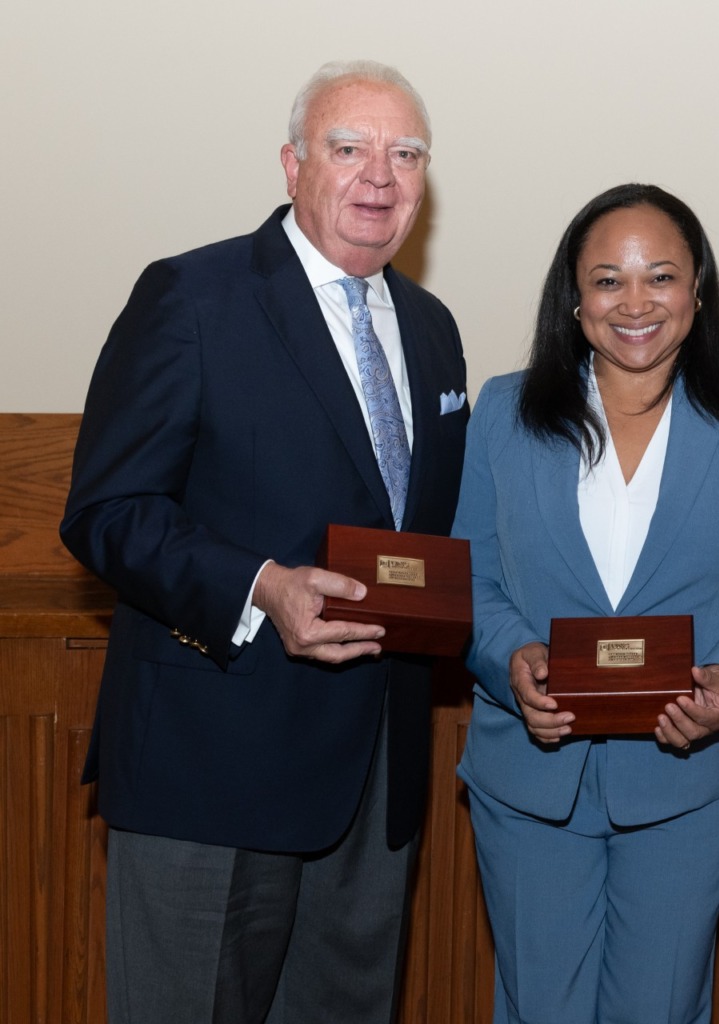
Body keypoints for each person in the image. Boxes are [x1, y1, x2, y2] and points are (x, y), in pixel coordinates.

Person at [59, 60, 467, 1022]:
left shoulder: (432, 330)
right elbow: (106, 509)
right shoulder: (192, 298)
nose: (380, 175)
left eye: (406, 154)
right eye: (349, 148)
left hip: (372, 783)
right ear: (292, 165)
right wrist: (261, 587)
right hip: (213, 769)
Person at [453, 183, 719, 1024]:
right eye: (608, 281)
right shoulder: (505, 412)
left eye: (660, 277)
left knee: (657, 1009)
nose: (635, 303)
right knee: (538, 1007)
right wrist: (511, 658)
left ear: (697, 291)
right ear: (575, 299)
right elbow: (471, 575)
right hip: (530, 778)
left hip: (689, 778)